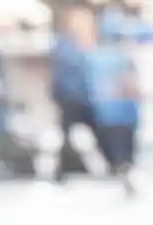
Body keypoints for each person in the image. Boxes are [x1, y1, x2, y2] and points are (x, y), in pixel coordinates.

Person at [50, 8, 102, 183]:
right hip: (78, 97)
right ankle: (63, 168)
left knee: (69, 133)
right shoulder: (73, 46)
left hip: (75, 97)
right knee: (76, 132)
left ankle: (63, 168)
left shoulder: (66, 45)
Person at [86, 34, 140, 196]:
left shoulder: (92, 57)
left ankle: (119, 168)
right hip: (124, 110)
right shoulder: (123, 57)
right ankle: (126, 170)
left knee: (113, 146)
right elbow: (129, 82)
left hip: (104, 110)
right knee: (126, 147)